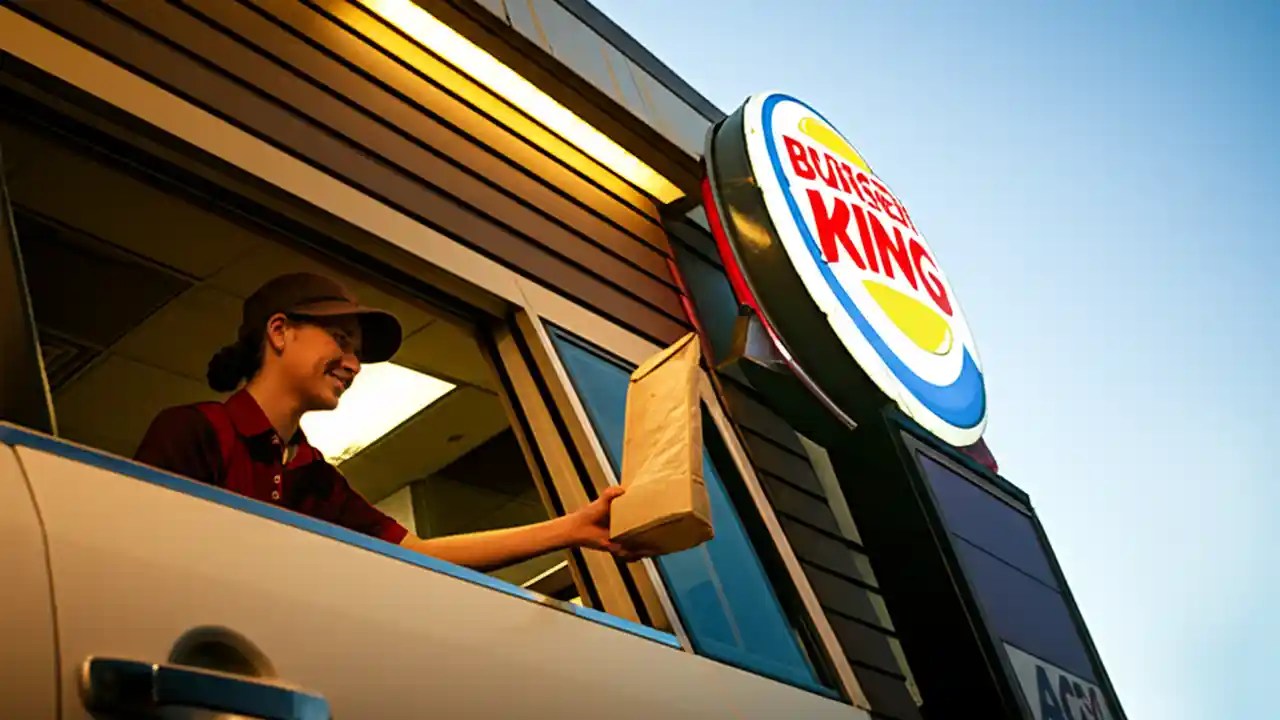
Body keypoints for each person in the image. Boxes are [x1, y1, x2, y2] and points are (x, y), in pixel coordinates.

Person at [135, 272, 638, 571]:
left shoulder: (315, 477)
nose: (353, 364)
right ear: (280, 331)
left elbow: (420, 554)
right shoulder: (193, 433)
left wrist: (571, 529)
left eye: (356, 350)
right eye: (341, 340)